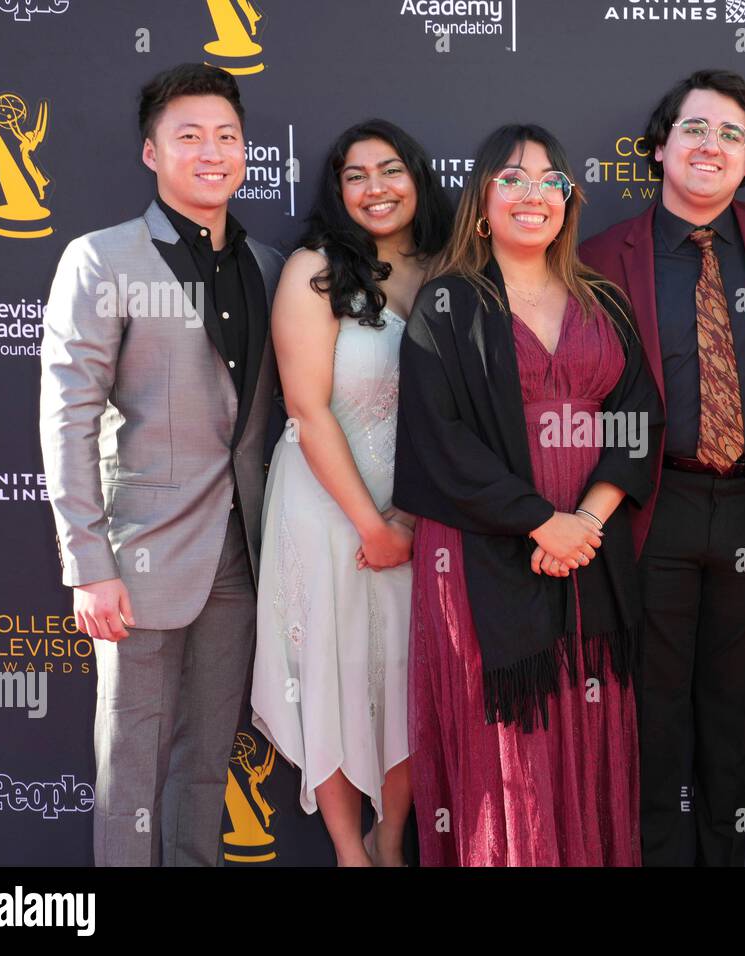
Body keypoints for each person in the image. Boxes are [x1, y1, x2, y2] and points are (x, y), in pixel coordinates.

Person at [394, 124, 662, 866]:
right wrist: (543, 523)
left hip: (591, 550)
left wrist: (586, 521)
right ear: (481, 202)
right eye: (511, 178)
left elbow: (640, 417)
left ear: (570, 201)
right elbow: (437, 439)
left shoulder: (602, 298)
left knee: (589, 724)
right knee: (510, 752)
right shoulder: (448, 304)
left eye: (549, 180)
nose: (533, 194)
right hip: (484, 553)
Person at [38, 63, 283, 866]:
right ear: (151, 153)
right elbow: (68, 414)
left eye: (227, 137)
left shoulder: (273, 267)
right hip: (136, 559)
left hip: (242, 558)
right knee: (128, 766)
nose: (212, 152)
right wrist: (87, 562)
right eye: (189, 136)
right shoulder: (101, 259)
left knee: (207, 767)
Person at [580, 68, 745, 866]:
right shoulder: (603, 254)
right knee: (652, 717)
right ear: (659, 146)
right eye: (695, 129)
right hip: (655, 506)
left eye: (731, 135)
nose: (711, 145)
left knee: (735, 718)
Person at [250, 120, 451, 867]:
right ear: (337, 192)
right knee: (329, 676)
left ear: (417, 178)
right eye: (356, 175)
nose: (376, 188)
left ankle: (391, 840)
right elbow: (306, 410)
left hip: (421, 511)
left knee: (403, 679)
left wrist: (411, 516)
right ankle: (349, 853)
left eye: (390, 170)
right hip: (326, 507)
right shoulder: (315, 270)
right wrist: (370, 524)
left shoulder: (448, 271)